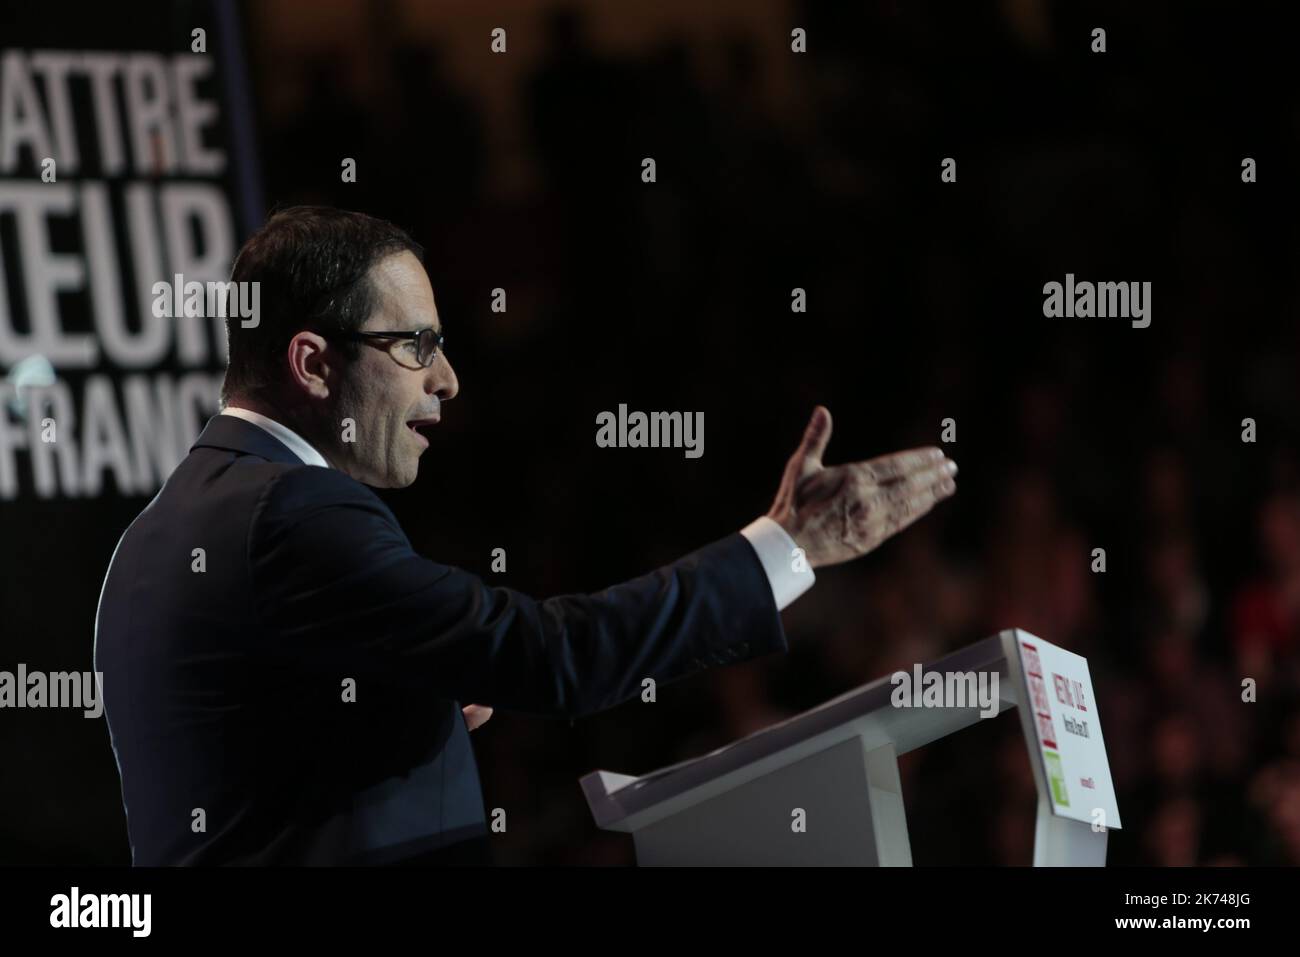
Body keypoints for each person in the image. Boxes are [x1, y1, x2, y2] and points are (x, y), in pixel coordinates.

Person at [94, 206, 957, 865]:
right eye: (415, 345)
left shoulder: (154, 537)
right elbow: (552, 655)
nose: (448, 378)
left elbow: (259, 768)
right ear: (314, 362)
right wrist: (788, 543)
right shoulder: (294, 513)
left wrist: (413, 699)